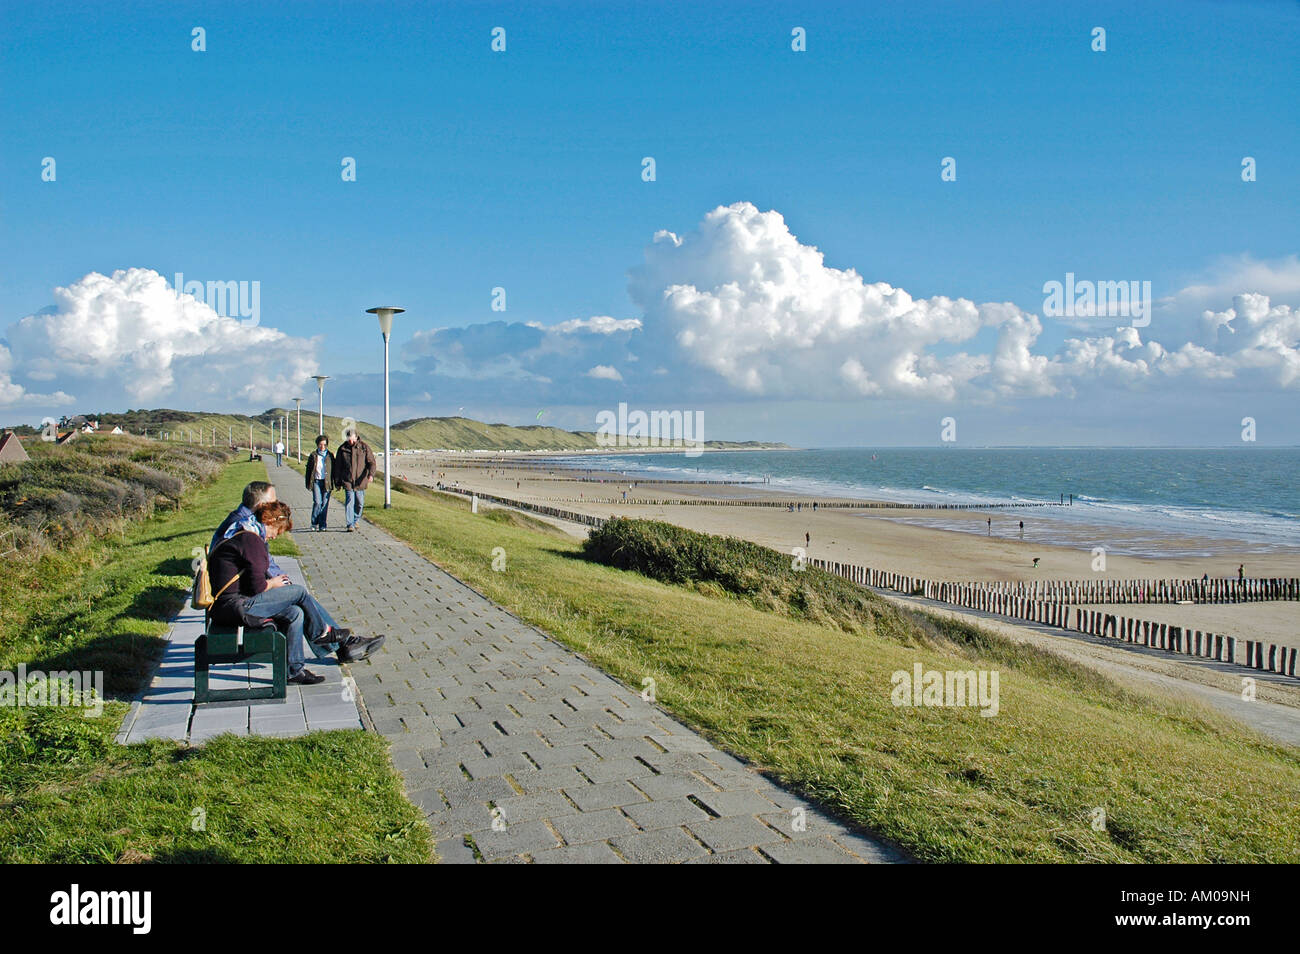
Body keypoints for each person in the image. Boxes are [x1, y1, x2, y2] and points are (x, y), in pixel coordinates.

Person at [208, 501, 385, 684]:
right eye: (278, 531)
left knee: (295, 613)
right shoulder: (252, 540)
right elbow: (257, 587)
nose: (276, 537)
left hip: (234, 605)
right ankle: (321, 633)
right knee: (299, 592)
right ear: (269, 522)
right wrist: (274, 583)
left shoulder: (245, 534)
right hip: (235, 607)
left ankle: (294, 670)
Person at [333, 428, 376, 531]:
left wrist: (371, 475)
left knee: (359, 503)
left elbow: (372, 463)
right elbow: (337, 467)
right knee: (349, 502)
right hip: (347, 480)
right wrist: (338, 482)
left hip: (360, 481)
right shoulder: (342, 449)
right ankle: (350, 524)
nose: (350, 442)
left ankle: (356, 519)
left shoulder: (364, 447)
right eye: (349, 439)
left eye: (352, 439)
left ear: (356, 437)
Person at [304, 435, 333, 531]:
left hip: (327, 483)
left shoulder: (330, 456)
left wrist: (336, 482)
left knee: (324, 504)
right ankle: (314, 523)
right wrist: (308, 483)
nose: (322, 446)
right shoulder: (313, 455)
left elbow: (334, 470)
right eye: (320, 444)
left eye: (324, 444)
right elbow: (308, 470)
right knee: (317, 502)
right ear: (317, 444)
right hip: (316, 481)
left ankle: (322, 525)